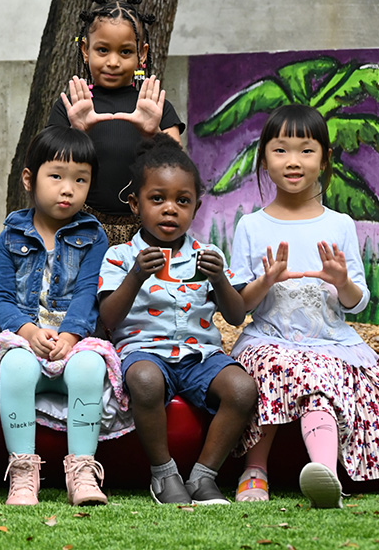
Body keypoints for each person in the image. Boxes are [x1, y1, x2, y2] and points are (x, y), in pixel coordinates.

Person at [229, 104, 379, 508]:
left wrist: (341, 282)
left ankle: (326, 477)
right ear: (264, 158)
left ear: (325, 158)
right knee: (278, 368)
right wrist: (265, 282)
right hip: (269, 338)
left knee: (322, 376)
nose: (293, 161)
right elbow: (238, 308)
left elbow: (356, 304)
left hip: (330, 341)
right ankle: (255, 471)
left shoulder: (340, 225)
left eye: (306, 150)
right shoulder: (251, 226)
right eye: (280, 150)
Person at [0, 126, 132, 507]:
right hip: (22, 337)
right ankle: (24, 473)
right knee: (16, 368)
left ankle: (82, 470)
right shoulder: (12, 233)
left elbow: (88, 294)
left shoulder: (93, 236)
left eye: (80, 180)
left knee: (89, 369)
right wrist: (27, 331)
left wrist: (72, 337)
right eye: (56, 177)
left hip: (72, 340)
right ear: (30, 179)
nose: (68, 189)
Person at [98, 133, 257, 505]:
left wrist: (219, 279)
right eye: (158, 199)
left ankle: (204, 477)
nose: (170, 209)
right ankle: (164, 475)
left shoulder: (208, 254)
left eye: (182, 201)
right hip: (145, 352)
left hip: (201, 355)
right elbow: (108, 318)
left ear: (196, 208)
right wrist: (136, 276)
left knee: (242, 389)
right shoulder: (122, 256)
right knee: (144, 380)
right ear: (135, 205)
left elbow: (236, 317)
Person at [48, 0, 185, 246]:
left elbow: (179, 174)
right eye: (102, 50)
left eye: (125, 52)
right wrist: (79, 133)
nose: (113, 61)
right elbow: (48, 174)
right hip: (81, 230)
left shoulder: (156, 107)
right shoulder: (71, 107)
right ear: (85, 50)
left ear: (141, 54)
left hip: (147, 233)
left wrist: (151, 134)